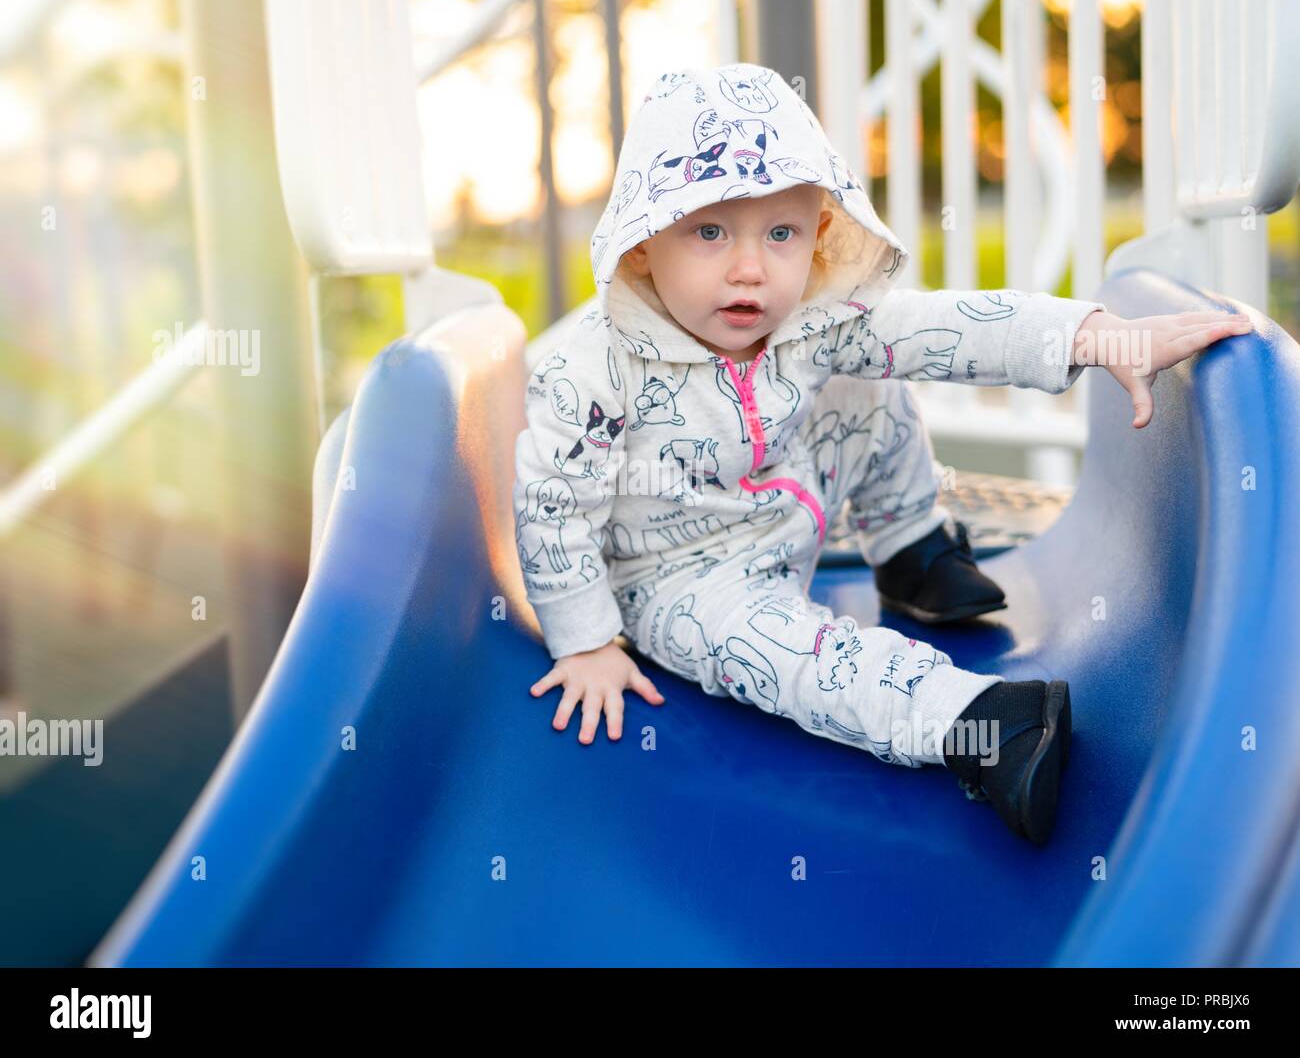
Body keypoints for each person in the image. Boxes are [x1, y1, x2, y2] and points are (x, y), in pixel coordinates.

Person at [513, 63, 1253, 843]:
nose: (749, 268)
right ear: (640, 247)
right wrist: (588, 640)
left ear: (819, 234)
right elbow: (554, 504)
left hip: (793, 492)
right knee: (786, 656)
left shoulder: (811, 321)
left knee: (873, 376)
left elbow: (952, 329)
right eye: (708, 231)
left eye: (780, 233)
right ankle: (976, 725)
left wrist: (1094, 334)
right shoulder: (590, 369)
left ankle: (909, 548)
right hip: (685, 578)